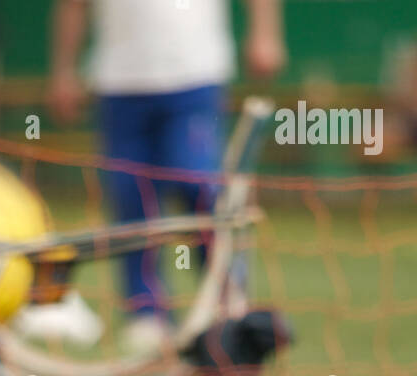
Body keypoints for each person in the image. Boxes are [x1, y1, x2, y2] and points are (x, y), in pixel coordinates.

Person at [50, 0, 286, 349]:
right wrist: (63, 70)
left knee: (199, 185)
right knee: (131, 197)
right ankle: (147, 313)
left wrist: (265, 34)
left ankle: (226, 299)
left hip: (194, 74)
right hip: (119, 81)